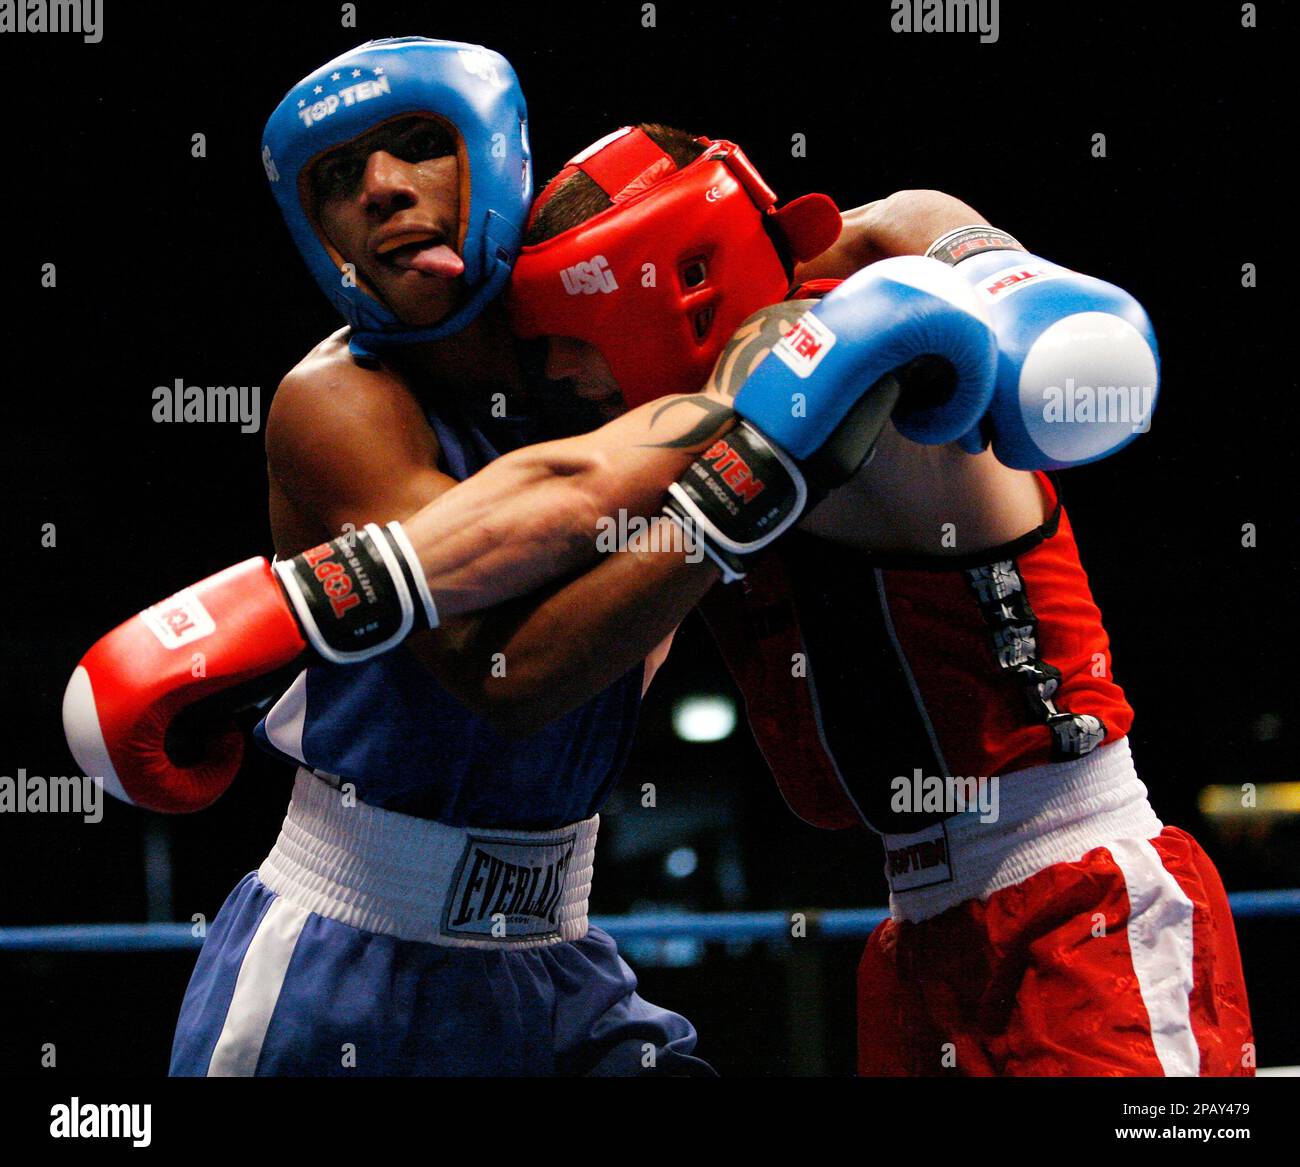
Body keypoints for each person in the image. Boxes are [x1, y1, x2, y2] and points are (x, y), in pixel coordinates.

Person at [502, 124, 1255, 1076]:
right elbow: (889, 220)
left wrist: (992, 269)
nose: (561, 376)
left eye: (572, 340)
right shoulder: (730, 452)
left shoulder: (852, 359)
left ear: (672, 295)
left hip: (1078, 899)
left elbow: (878, 249)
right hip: (919, 928)